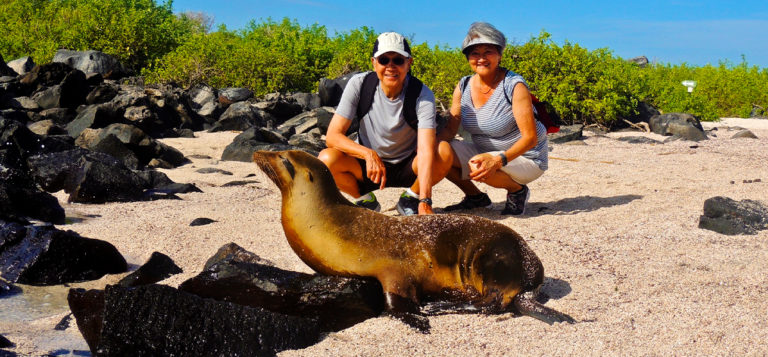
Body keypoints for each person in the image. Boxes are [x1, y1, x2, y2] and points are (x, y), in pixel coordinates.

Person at [318, 32, 453, 216]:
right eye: (384, 60)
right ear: (374, 63)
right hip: (369, 167)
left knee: (443, 152)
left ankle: (411, 199)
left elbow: (426, 149)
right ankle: (365, 200)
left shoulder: (423, 94)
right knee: (326, 159)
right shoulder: (359, 85)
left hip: (407, 166)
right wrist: (367, 154)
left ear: (409, 63)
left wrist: (425, 199)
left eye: (398, 60)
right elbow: (333, 136)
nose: (390, 66)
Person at [439, 22, 549, 215]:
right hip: (483, 151)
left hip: (527, 157)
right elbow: (450, 129)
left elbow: (530, 138)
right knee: (439, 153)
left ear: (499, 55)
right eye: (475, 53)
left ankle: (517, 191)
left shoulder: (514, 85)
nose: (481, 58)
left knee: (478, 162)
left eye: (488, 52)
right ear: (468, 58)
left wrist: (497, 160)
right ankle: (476, 198)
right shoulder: (463, 85)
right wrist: (424, 147)